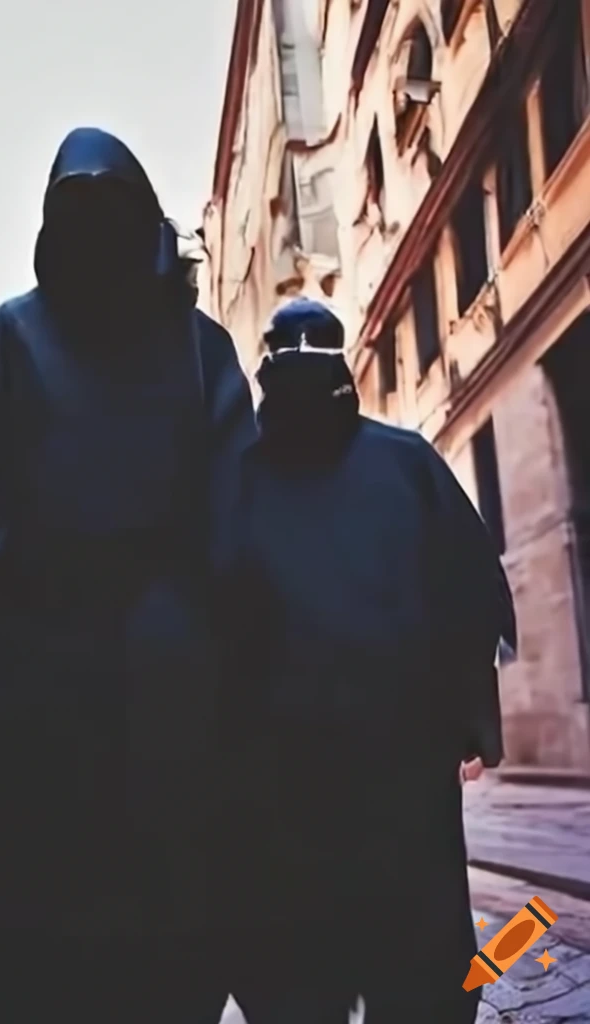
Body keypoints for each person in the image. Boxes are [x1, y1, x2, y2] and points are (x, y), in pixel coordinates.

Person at [0, 127, 256, 1024]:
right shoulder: (10, 339)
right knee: (26, 919)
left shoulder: (202, 351)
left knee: (163, 926)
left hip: (154, 687)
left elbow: (235, 521)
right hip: (44, 686)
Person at [223, 297, 515, 1024]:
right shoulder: (237, 482)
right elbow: (212, 619)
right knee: (296, 973)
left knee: (414, 968)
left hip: (397, 772)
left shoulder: (404, 462)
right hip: (281, 783)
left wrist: (473, 718)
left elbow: (467, 591)